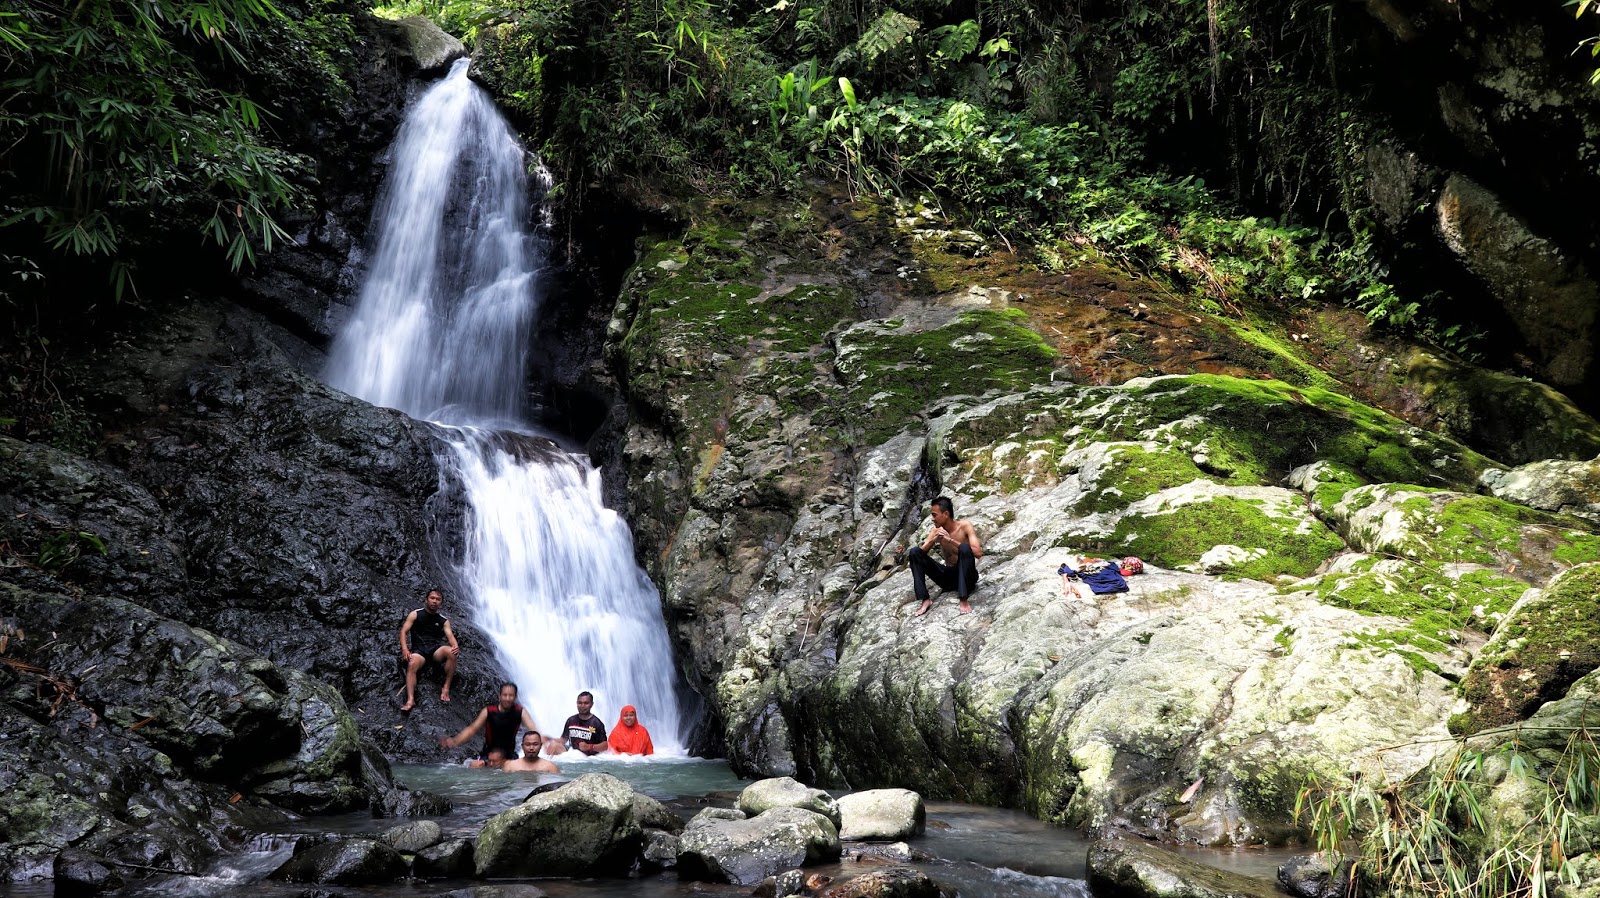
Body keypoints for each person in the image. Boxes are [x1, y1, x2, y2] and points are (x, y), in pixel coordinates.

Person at [908, 496, 983, 617]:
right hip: (948, 579)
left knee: (964, 548)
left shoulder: (965, 526)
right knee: (914, 552)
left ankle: (963, 598)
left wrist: (950, 540)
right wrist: (932, 541)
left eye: (934, 515)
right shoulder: (936, 531)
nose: (932, 519)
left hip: (967, 577)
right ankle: (925, 599)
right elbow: (918, 555)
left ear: (946, 514)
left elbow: (978, 553)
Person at [440, 682, 540, 761]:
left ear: (515, 697)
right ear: (499, 696)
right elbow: (472, 729)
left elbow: (533, 730)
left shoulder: (520, 711)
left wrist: (546, 742)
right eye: (505, 695)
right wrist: (455, 741)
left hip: (509, 757)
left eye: (511, 695)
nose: (507, 698)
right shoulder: (489, 711)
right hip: (488, 756)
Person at [399, 588, 459, 711]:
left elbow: (450, 637)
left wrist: (455, 646)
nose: (434, 601)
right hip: (419, 651)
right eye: (432, 598)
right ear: (426, 600)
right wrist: (405, 650)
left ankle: (446, 688)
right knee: (412, 662)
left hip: (435, 650)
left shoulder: (443, 620)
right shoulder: (415, 614)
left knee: (451, 652)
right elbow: (403, 631)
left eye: (438, 599)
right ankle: (410, 700)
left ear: (441, 603)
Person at [555, 691, 609, 755]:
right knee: (553, 747)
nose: (582, 706)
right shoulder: (571, 720)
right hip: (572, 755)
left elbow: (605, 746)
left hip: (591, 758)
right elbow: (563, 739)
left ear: (592, 704)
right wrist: (551, 741)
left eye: (586, 703)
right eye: (580, 703)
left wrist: (589, 747)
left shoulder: (597, 723)